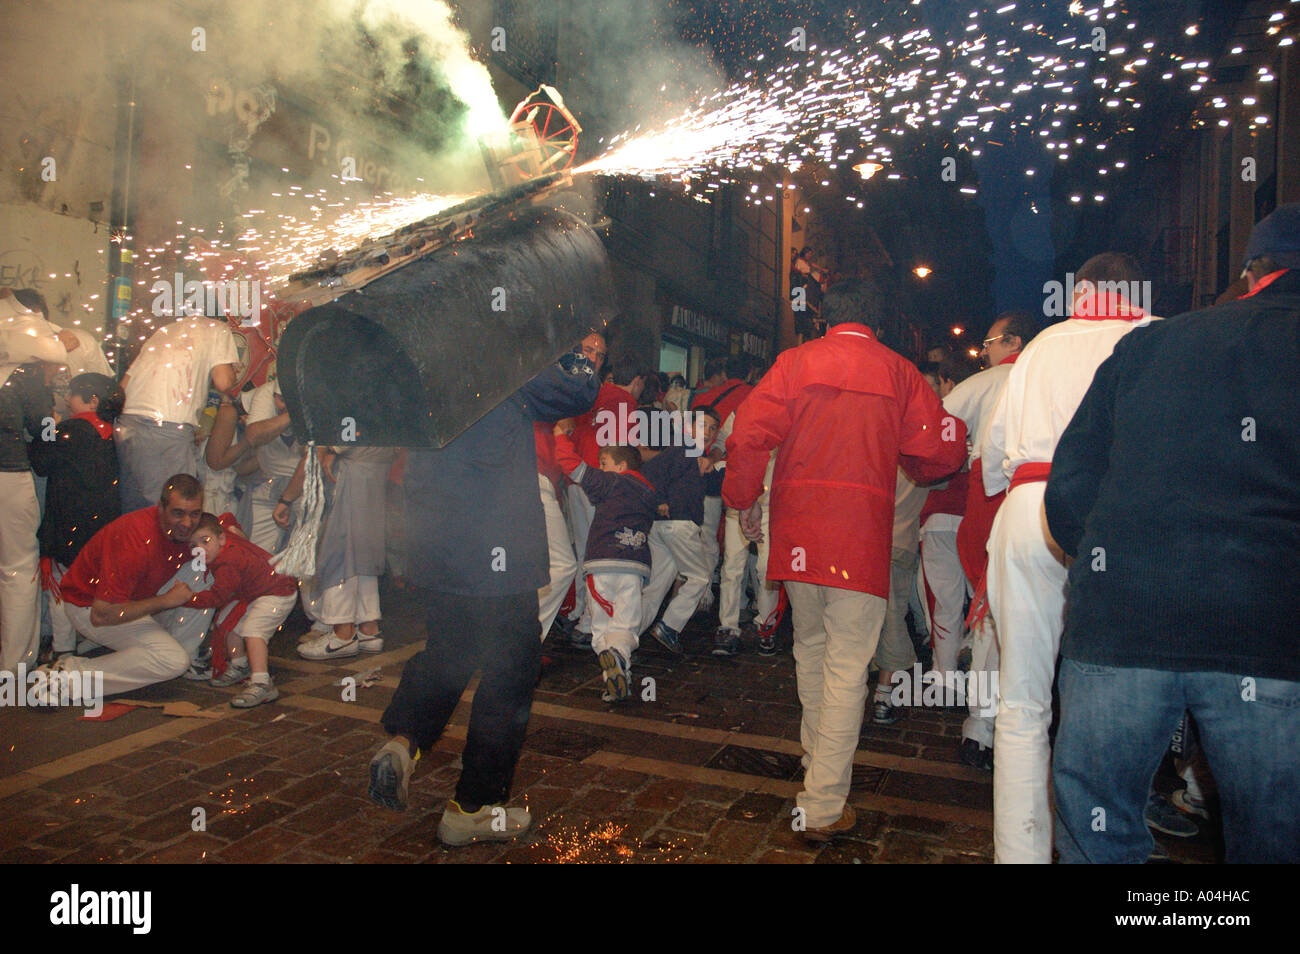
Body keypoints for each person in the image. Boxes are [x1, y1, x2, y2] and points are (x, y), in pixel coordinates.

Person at [1044, 205, 1300, 863]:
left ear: (1253, 272)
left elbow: (1070, 487)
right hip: (1269, 633)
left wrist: (1103, 565)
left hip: (1123, 617)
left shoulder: (1154, 343)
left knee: (1096, 834)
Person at [724, 278, 966, 842]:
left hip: (798, 534)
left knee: (810, 651)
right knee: (848, 667)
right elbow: (940, 452)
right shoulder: (899, 373)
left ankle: (817, 765)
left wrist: (743, 504)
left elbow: (747, 437)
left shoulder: (792, 362)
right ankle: (824, 802)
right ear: (877, 321)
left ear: (824, 318)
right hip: (859, 540)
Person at [367, 351, 598, 848]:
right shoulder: (500, 358)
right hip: (496, 546)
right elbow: (575, 393)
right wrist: (570, 349)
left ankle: (404, 743)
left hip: (436, 540)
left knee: (450, 649)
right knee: (510, 669)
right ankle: (475, 805)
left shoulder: (421, 361)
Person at [981, 252, 1159, 863]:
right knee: (1114, 702)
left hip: (1031, 507)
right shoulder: (1157, 337)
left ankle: (1019, 854)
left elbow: (992, 457)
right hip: (1121, 515)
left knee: (1022, 701)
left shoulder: (1039, 348)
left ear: (1079, 292)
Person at [948, 310, 1038, 769]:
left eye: (990, 341)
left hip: (996, 504)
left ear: (1013, 341)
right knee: (1031, 622)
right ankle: (1018, 725)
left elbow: (940, 422)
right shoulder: (1048, 376)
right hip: (1045, 508)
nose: (984, 351)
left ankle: (981, 728)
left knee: (988, 616)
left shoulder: (986, 383)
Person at [50, 474, 215, 695]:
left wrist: (232, 535)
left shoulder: (192, 529)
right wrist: (164, 602)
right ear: (160, 508)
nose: (187, 523)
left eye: (194, 514)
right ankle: (68, 677)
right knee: (172, 661)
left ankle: (173, 651)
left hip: (133, 599)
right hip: (89, 607)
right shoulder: (135, 540)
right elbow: (101, 615)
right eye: (178, 513)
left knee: (206, 566)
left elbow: (224, 530)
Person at [554, 430, 656, 701]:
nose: (601, 468)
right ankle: (621, 668)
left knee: (601, 626)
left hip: (601, 563)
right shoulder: (648, 491)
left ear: (620, 467)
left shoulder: (611, 482)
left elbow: (571, 465)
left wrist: (559, 435)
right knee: (626, 622)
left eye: (605, 463)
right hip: (635, 566)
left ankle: (612, 658)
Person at [29, 373, 124, 660]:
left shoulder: (72, 430)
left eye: (73, 394)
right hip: (100, 528)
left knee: (59, 591)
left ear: (92, 400)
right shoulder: (112, 433)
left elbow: (41, 460)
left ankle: (63, 651)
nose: (68, 401)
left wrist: (48, 423)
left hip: (67, 527)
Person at [116, 317, 238, 511]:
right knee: (172, 509)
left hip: (128, 419)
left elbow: (123, 385)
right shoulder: (217, 328)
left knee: (134, 507)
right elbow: (223, 381)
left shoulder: (165, 330)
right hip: (167, 424)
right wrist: (233, 373)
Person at [0, 289, 62, 673]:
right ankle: (12, 668)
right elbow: (43, 432)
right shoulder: (25, 376)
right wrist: (54, 426)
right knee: (18, 570)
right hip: (10, 476)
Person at [562, 349, 641, 645]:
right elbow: (627, 452)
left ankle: (578, 612)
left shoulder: (590, 391)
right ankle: (589, 622)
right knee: (600, 554)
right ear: (636, 381)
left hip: (576, 477)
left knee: (583, 549)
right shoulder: (628, 404)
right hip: (603, 484)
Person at [292, 444, 398, 659]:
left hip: (354, 463)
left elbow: (352, 416)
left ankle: (343, 632)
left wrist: (333, 448)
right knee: (363, 547)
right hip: (374, 462)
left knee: (340, 548)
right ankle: (368, 627)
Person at [185, 512, 298, 707]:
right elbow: (227, 517)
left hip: (277, 592)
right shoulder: (225, 542)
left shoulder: (227, 562)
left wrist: (187, 598)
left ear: (220, 539)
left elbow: (217, 597)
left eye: (205, 541)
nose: (200, 550)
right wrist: (233, 528)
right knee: (229, 623)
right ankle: (240, 664)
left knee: (254, 632)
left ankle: (262, 683)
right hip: (261, 590)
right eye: (194, 545)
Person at [537, 337, 604, 640]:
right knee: (565, 563)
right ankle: (522, 639)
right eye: (588, 351)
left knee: (558, 560)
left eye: (600, 355)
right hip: (535, 479)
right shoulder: (554, 383)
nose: (593, 359)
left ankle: (517, 638)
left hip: (553, 483)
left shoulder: (580, 392)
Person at [638, 406, 717, 654]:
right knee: (699, 577)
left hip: (663, 526)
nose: (708, 431)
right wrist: (661, 500)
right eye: (703, 425)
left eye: (713, 427)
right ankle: (669, 626)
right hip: (679, 524)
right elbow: (650, 473)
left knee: (656, 586)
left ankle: (624, 636)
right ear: (689, 426)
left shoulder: (689, 452)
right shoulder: (684, 449)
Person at [243, 377, 304, 552]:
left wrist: (286, 500)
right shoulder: (265, 393)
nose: (283, 405)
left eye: (291, 402)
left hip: (306, 489)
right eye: (281, 399)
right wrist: (293, 414)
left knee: (303, 561)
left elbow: (312, 461)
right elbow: (254, 437)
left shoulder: (317, 397)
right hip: (268, 488)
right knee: (256, 555)